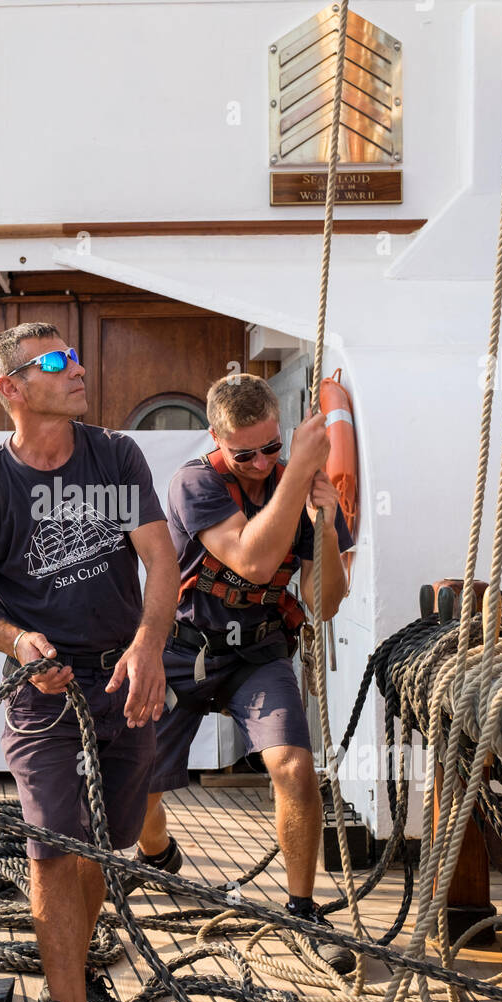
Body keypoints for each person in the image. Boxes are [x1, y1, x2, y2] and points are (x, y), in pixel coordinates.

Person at [0, 322, 179, 1002]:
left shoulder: (115, 457)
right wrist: (15, 642)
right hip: (46, 701)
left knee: (103, 848)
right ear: (12, 389)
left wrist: (148, 647)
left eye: (74, 354)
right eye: (55, 362)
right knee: (52, 847)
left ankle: (74, 979)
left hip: (125, 688)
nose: (77, 368)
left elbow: (162, 562)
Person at [133, 373, 355, 971]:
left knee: (294, 766)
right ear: (216, 440)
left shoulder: (305, 487)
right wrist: (294, 480)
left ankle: (301, 908)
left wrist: (326, 525)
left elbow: (327, 602)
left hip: (257, 652)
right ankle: (157, 857)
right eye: (245, 453)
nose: (261, 464)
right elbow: (253, 562)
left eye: (272, 448)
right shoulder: (195, 482)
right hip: (183, 651)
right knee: (142, 786)